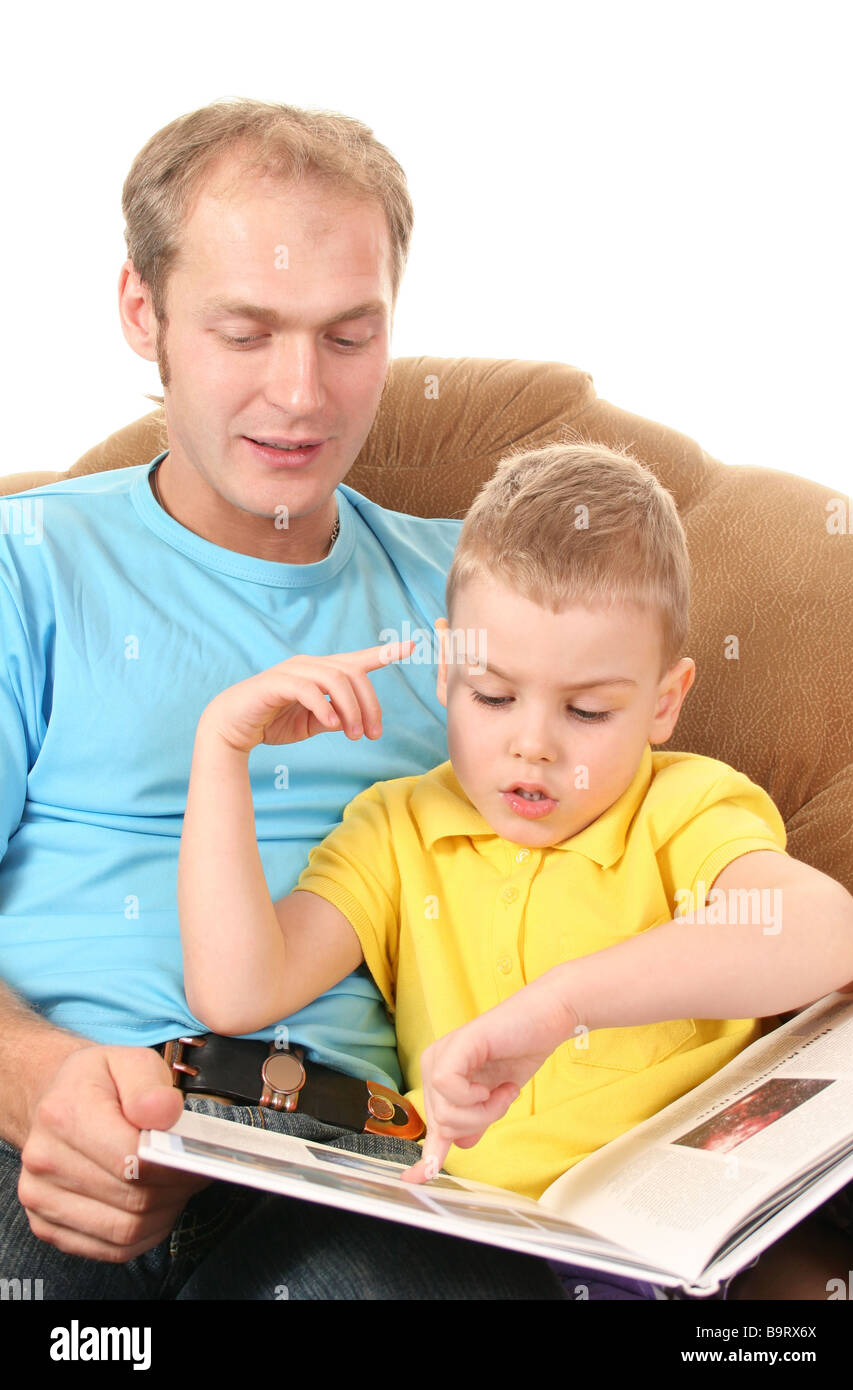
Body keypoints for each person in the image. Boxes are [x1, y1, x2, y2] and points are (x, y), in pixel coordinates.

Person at [0, 98, 569, 1299]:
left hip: (351, 1166)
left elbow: (627, 829)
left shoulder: (481, 593)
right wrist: (39, 1078)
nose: (302, 395)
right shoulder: (28, 562)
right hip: (49, 1140)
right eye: (246, 333)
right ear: (142, 314)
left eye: (348, 335)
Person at [177, 441, 853, 1295]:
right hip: (485, 1256)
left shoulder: (681, 807)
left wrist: (561, 1006)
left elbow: (828, 931)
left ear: (664, 701)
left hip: (698, 1243)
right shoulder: (400, 830)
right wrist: (222, 749)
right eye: (492, 695)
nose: (532, 745)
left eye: (586, 709)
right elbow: (237, 992)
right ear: (445, 666)